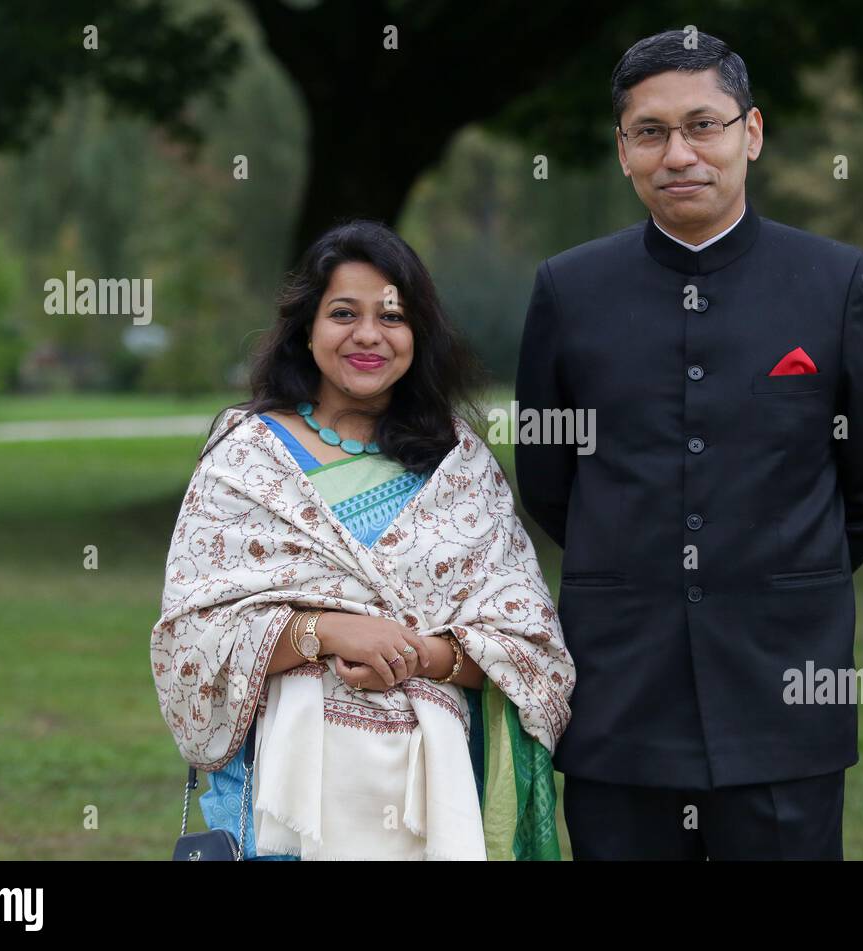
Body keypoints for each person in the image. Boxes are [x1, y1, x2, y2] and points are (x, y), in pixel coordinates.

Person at [514, 30, 863, 860]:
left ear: (752, 133)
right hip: (621, 690)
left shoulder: (838, 283)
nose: (680, 153)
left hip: (786, 686)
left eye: (704, 125)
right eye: (651, 131)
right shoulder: (569, 289)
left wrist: (779, 570)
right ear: (623, 150)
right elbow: (549, 482)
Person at [152, 220, 575, 860]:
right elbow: (190, 639)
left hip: (435, 799)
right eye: (343, 313)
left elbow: (530, 645)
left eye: (393, 316)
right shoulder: (248, 459)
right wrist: (322, 632)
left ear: (418, 334)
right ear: (308, 330)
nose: (368, 335)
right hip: (278, 796)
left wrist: (424, 656)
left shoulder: (459, 466)